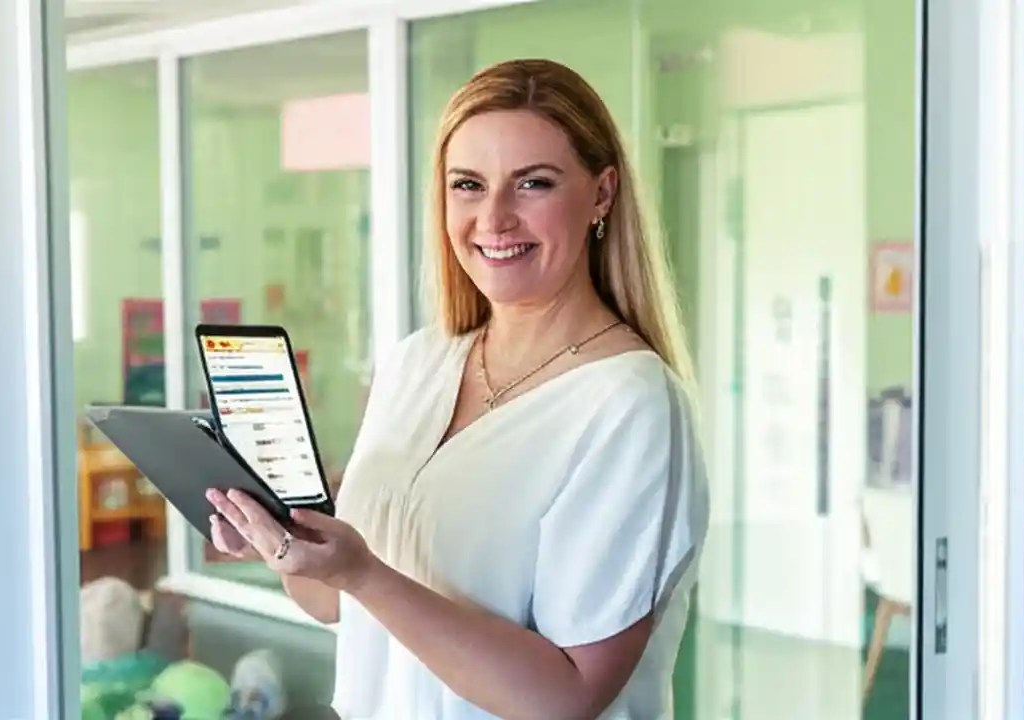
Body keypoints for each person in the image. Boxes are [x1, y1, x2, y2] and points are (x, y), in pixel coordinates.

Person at [206, 57, 708, 720]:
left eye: (533, 183)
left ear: (603, 193)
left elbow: (568, 694)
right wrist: (285, 548)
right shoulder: (417, 364)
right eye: (468, 185)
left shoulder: (629, 405)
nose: (494, 218)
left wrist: (364, 573)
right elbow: (336, 606)